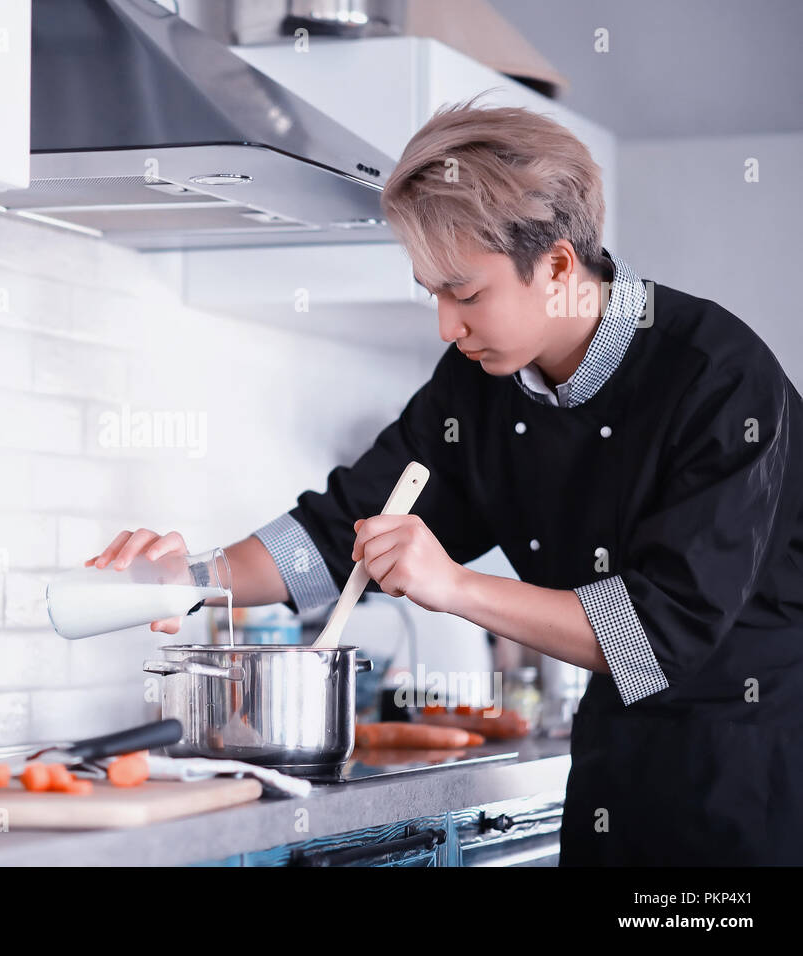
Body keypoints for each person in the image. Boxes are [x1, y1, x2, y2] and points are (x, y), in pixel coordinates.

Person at [87, 99, 803, 866]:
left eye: (465, 293)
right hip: (617, 768)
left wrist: (451, 584)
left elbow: (652, 638)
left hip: (757, 776)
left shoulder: (717, 380)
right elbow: (342, 531)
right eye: (431, 292)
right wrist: (192, 581)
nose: (444, 325)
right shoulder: (479, 385)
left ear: (558, 267)